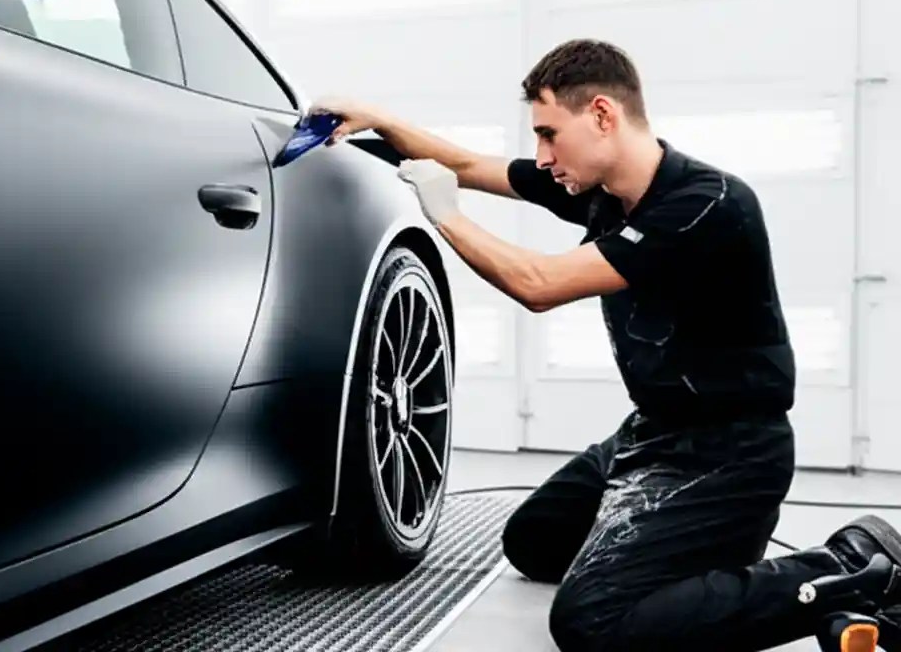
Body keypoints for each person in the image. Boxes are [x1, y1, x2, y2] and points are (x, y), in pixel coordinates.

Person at [312, 39, 900, 651]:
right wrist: (377, 122)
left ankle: (848, 566)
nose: (541, 157)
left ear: (601, 115)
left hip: (731, 453)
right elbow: (467, 165)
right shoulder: (601, 192)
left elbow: (538, 285)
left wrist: (448, 217)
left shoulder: (707, 205)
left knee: (591, 623)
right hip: (650, 432)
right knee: (533, 542)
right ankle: (677, 551)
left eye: (548, 135)